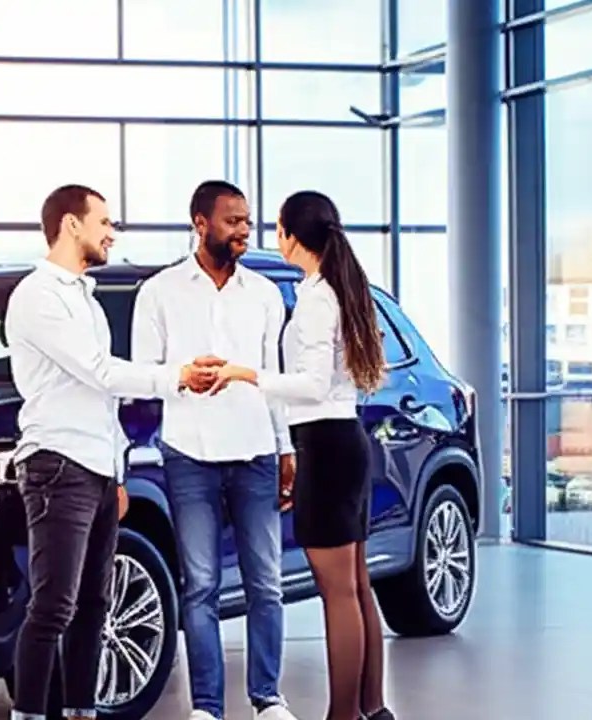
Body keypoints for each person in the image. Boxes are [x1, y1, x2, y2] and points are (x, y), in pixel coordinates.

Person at [4, 184, 217, 720]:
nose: (111, 232)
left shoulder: (84, 297)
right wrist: (178, 377)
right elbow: (98, 371)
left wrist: (117, 471)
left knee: (94, 607)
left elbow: (103, 398)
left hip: (97, 469)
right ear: (71, 224)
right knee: (53, 607)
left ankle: (82, 712)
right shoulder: (38, 296)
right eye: (103, 221)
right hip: (57, 465)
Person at [206, 190, 395, 720]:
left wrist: (246, 374)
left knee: (337, 591)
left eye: (277, 228)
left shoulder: (315, 299)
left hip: (326, 445)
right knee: (356, 586)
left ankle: (343, 715)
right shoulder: (341, 288)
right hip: (346, 442)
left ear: (291, 235)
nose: (273, 236)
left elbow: (311, 384)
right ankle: (372, 709)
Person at [131, 180, 298, 720]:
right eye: (233, 221)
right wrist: (182, 378)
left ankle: (267, 698)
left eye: (248, 221)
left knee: (266, 582)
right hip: (189, 455)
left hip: (255, 452)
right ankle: (206, 708)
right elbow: (142, 375)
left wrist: (285, 447)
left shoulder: (266, 295)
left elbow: (272, 379)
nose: (244, 231)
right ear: (200, 223)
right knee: (200, 585)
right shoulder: (159, 292)